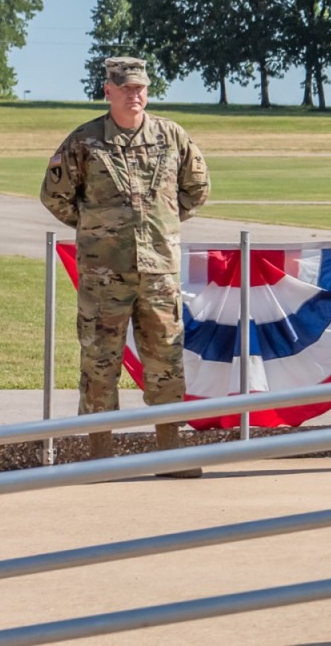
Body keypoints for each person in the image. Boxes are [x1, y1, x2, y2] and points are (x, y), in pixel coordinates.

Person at [41, 57, 210, 478]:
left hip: (159, 273)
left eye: (141, 88)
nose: (135, 95)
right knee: (100, 365)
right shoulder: (84, 142)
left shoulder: (172, 137)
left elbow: (197, 189)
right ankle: (100, 459)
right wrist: (97, 229)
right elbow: (55, 196)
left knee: (166, 363)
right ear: (108, 91)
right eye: (126, 87)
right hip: (104, 278)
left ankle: (170, 456)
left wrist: (163, 224)